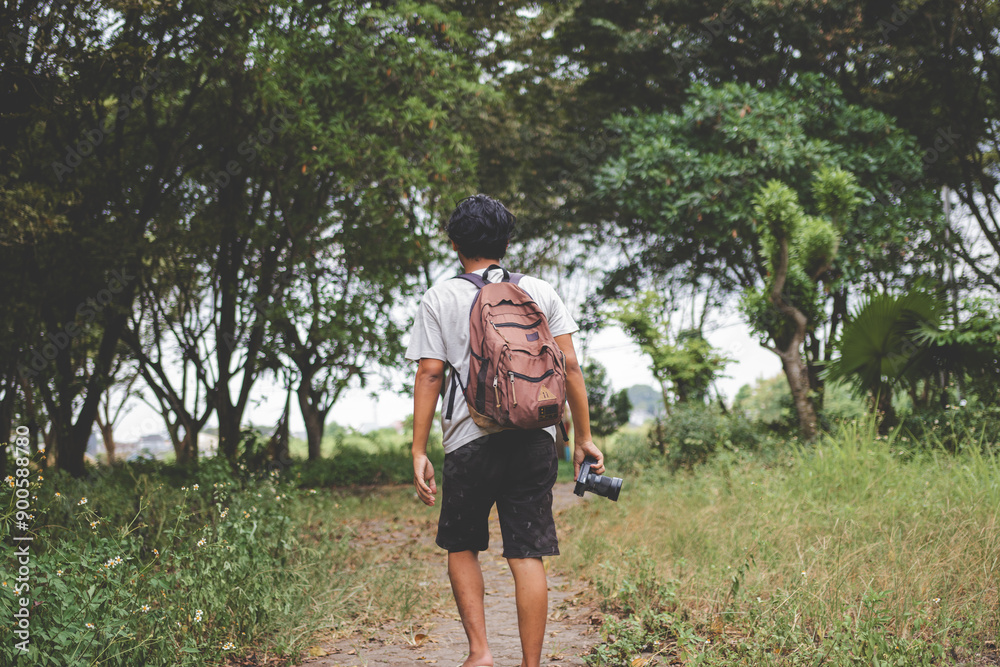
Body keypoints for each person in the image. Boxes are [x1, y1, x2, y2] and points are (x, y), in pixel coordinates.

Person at [407, 194, 605, 667]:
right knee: (527, 553)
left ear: (454, 244)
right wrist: (583, 438)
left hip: (469, 438)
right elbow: (570, 367)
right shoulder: (539, 290)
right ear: (507, 242)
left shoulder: (440, 298)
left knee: (462, 545)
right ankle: (531, 664)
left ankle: (480, 653)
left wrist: (418, 449)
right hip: (536, 437)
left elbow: (430, 374)